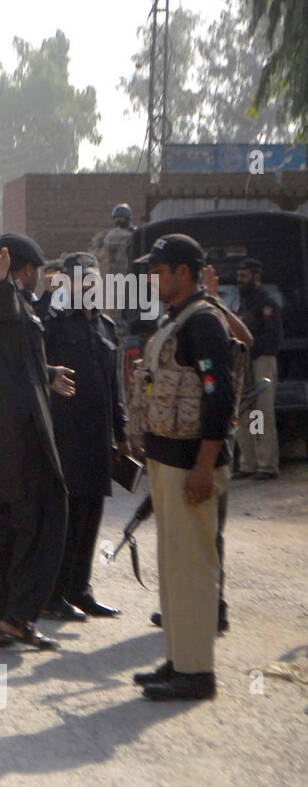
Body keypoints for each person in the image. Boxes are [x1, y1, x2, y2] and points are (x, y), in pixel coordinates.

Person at [130, 235, 236, 701]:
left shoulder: (205, 325)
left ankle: (196, 673)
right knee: (173, 566)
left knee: (192, 568)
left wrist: (204, 466)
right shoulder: (176, 321)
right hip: (167, 462)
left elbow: (219, 397)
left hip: (192, 465)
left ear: (183, 273)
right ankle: (178, 660)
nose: (153, 278)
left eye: (159, 270)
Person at [0, 235, 76, 651]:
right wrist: (1, 282)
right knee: (46, 516)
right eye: (36, 272)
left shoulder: (5, 308)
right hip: (16, 440)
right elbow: (3, 308)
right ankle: (19, 616)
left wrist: (46, 372)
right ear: (25, 270)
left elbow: (8, 356)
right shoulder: (2, 299)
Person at [41, 253, 127, 621]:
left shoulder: (106, 328)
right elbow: (35, 369)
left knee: (91, 514)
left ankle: (81, 589)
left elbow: (114, 385)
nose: (91, 287)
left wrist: (122, 432)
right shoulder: (54, 325)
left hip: (97, 438)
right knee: (67, 517)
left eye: (95, 280)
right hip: (65, 436)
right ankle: (54, 594)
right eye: (83, 281)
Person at [232, 258, 281, 480]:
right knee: (244, 413)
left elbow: (273, 337)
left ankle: (266, 465)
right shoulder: (242, 303)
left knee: (260, 413)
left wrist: (253, 348)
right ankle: (248, 463)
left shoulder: (267, 302)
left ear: (256, 276)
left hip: (261, 361)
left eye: (244, 276)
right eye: (239, 276)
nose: (240, 280)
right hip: (244, 363)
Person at [92, 203, 136, 324]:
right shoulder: (108, 236)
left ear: (127, 218)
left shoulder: (134, 235)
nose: (118, 220)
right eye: (116, 217)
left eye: (121, 217)